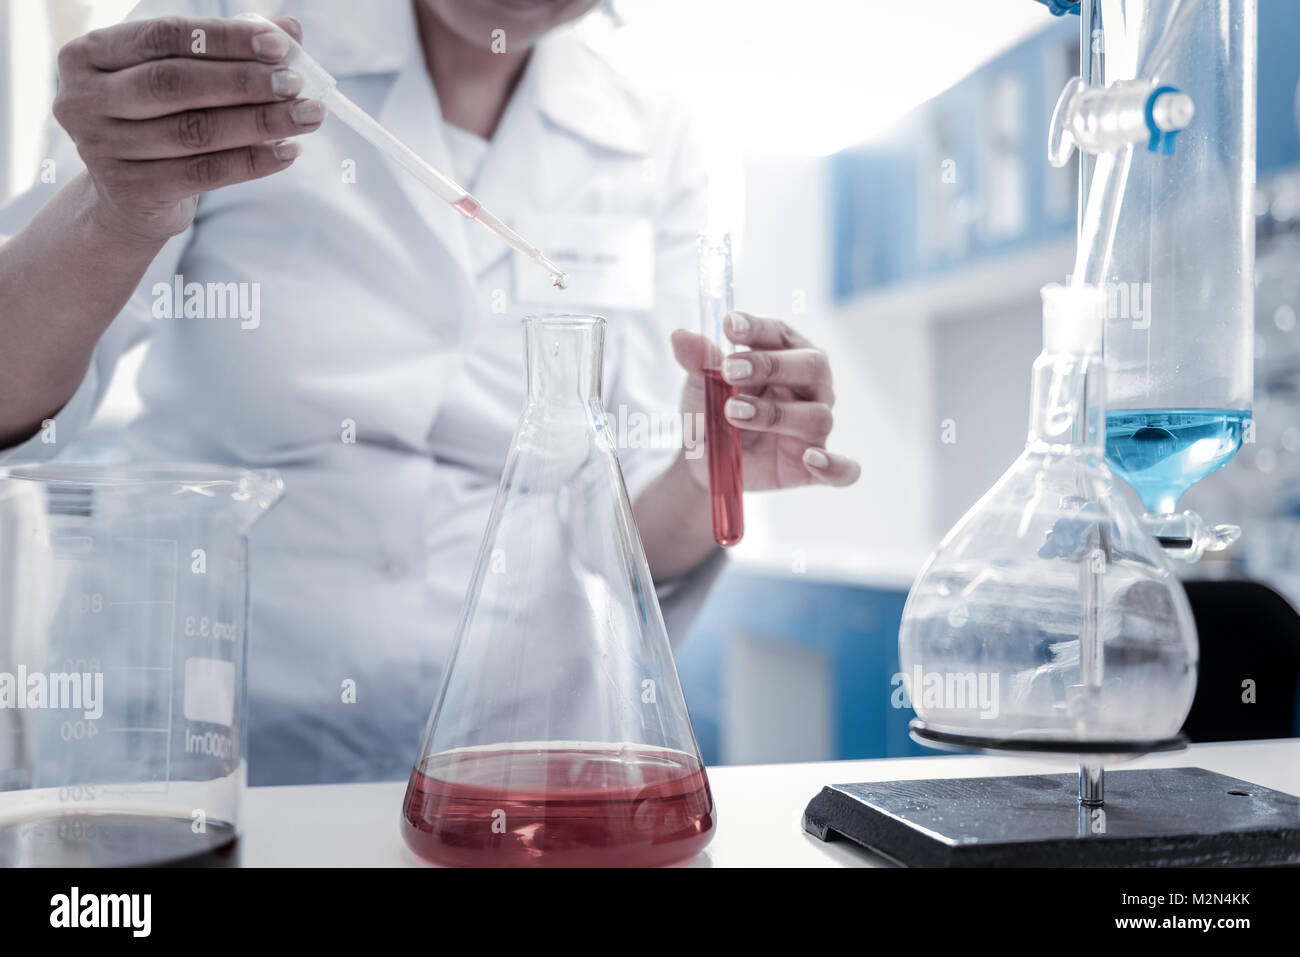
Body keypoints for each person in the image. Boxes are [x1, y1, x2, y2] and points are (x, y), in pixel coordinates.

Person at [0, 0, 860, 783]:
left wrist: (706, 472)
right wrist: (117, 208)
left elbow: (625, 527)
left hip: (512, 746)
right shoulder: (239, 33)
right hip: (209, 735)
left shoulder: (656, 133)